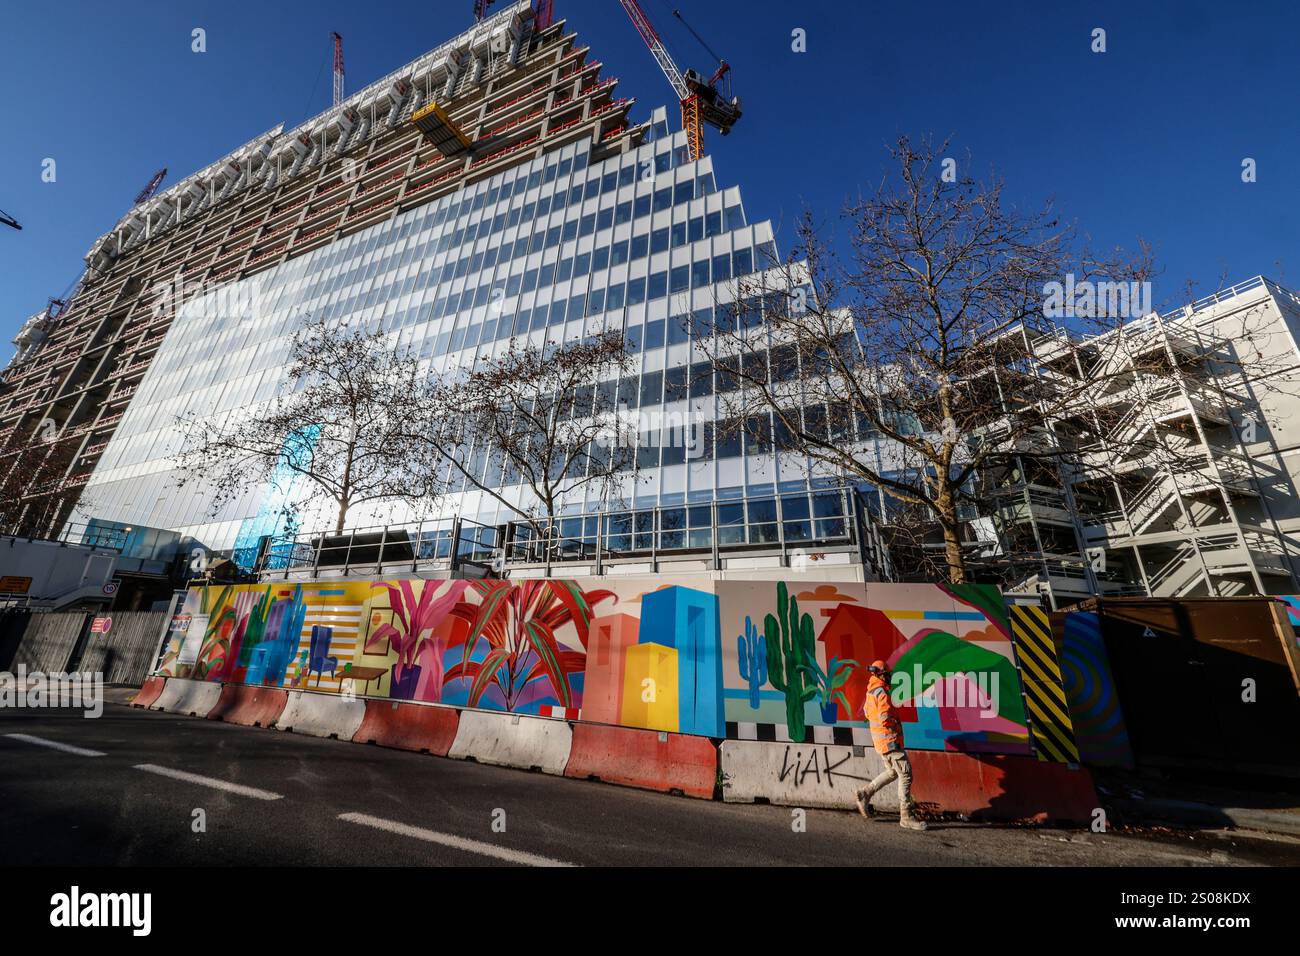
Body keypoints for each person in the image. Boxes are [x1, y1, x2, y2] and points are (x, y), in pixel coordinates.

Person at [855, 660, 927, 831]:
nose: (889, 676)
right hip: (890, 741)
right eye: (887, 673)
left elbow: (867, 712)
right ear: (880, 674)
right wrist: (895, 724)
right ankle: (906, 816)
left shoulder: (871, 691)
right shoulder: (883, 692)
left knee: (892, 772)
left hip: (880, 742)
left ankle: (865, 794)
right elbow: (884, 717)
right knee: (906, 774)